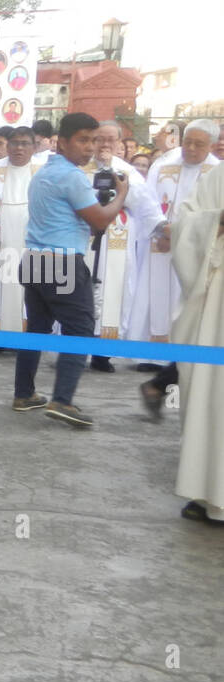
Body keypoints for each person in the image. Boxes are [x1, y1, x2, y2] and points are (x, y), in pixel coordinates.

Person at [12, 112, 129, 428]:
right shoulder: (73, 177)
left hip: (35, 259)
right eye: (83, 140)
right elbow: (101, 221)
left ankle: (24, 394)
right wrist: (121, 195)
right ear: (62, 142)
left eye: (93, 140)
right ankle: (62, 401)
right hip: (62, 262)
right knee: (79, 330)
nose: (89, 147)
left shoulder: (43, 174)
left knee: (36, 329)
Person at [130, 120, 220, 415]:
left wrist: (182, 236)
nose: (191, 149)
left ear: (213, 146)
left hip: (203, 260)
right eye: (188, 142)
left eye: (199, 144)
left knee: (197, 329)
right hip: (166, 245)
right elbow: (148, 202)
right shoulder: (163, 166)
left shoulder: (214, 171)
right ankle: (160, 379)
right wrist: (162, 230)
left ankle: (161, 384)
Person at [169, 162, 224, 523]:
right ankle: (210, 494)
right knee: (209, 390)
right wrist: (215, 222)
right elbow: (184, 224)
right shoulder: (218, 177)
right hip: (215, 305)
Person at [83, 120, 162, 370]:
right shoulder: (80, 167)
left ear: (119, 143)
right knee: (80, 290)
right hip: (84, 237)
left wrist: (162, 228)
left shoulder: (127, 172)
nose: (105, 144)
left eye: (110, 140)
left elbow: (145, 205)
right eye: (100, 139)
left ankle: (103, 353)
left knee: (113, 291)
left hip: (116, 238)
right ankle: (75, 348)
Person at [0, 127, 44, 335]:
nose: (19, 148)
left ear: (34, 147)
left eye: (25, 143)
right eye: (15, 143)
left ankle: (28, 334)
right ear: (7, 146)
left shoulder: (43, 171)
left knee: (29, 285)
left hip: (31, 239)